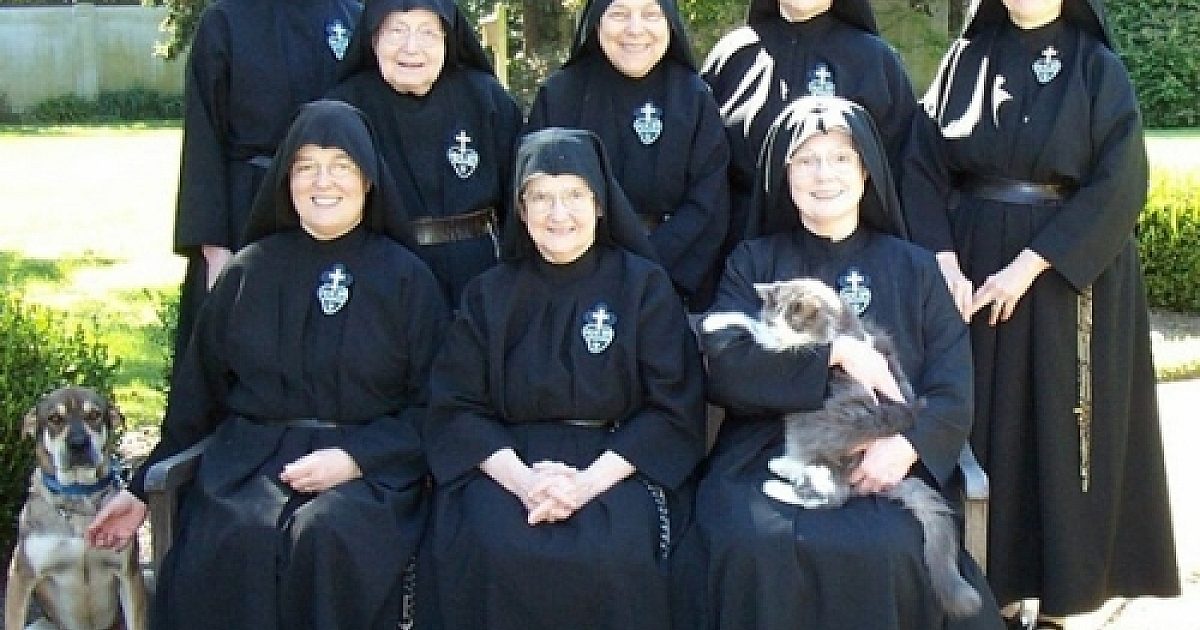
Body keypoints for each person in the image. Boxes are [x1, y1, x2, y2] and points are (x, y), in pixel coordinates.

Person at [86, 100, 448, 630]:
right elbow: (197, 399)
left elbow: (437, 407)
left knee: (327, 534)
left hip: (369, 471)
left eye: (341, 166)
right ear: (286, 180)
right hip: (250, 464)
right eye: (306, 167)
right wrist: (140, 488)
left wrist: (355, 458)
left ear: (369, 180)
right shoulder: (248, 273)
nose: (323, 182)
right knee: (240, 536)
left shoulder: (408, 280)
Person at [901, 0, 1180, 626]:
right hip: (971, 279)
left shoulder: (1096, 66)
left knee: (1062, 436)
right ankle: (987, 590)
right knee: (989, 430)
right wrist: (942, 258)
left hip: (1066, 283)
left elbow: (1121, 181)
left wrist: (1030, 266)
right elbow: (919, 164)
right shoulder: (964, 59)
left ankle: (1061, 598)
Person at [696, 96, 1003, 630]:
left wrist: (905, 448)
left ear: (867, 173)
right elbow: (727, 366)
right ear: (783, 175)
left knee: (886, 547)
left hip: (885, 452)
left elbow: (953, 387)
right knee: (752, 543)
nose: (824, 175)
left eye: (841, 158)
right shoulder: (754, 263)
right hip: (767, 448)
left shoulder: (915, 268)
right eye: (807, 159)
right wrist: (834, 353)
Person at [422, 128, 707, 629]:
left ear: (599, 204)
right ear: (521, 210)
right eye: (542, 198)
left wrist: (587, 485)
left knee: (614, 551)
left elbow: (671, 408)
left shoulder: (644, 287)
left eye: (574, 195)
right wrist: (525, 481)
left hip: (618, 459)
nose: (559, 215)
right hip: (508, 462)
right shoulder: (488, 294)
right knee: (492, 543)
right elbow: (457, 407)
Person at [171, 0, 362, 363]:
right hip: (247, 210)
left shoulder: (350, 16)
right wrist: (214, 247)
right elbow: (203, 133)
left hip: (334, 202)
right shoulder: (224, 20)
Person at [525, 0, 730, 311]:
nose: (635, 29)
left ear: (669, 25)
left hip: (672, 282)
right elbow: (537, 198)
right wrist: (597, 269)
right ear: (597, 23)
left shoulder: (695, 98)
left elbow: (708, 204)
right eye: (619, 14)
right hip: (576, 278)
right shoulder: (560, 96)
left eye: (650, 14)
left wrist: (648, 272)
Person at [328, 0, 522, 305]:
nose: (411, 47)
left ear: (449, 39)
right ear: (373, 39)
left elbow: (516, 197)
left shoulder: (485, 97)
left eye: (427, 33)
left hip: (481, 273)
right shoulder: (345, 107)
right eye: (397, 31)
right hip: (381, 277)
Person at [701, 0, 920, 248]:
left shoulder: (877, 61)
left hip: (849, 257)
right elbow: (702, 169)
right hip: (740, 249)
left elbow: (905, 173)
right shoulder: (732, 56)